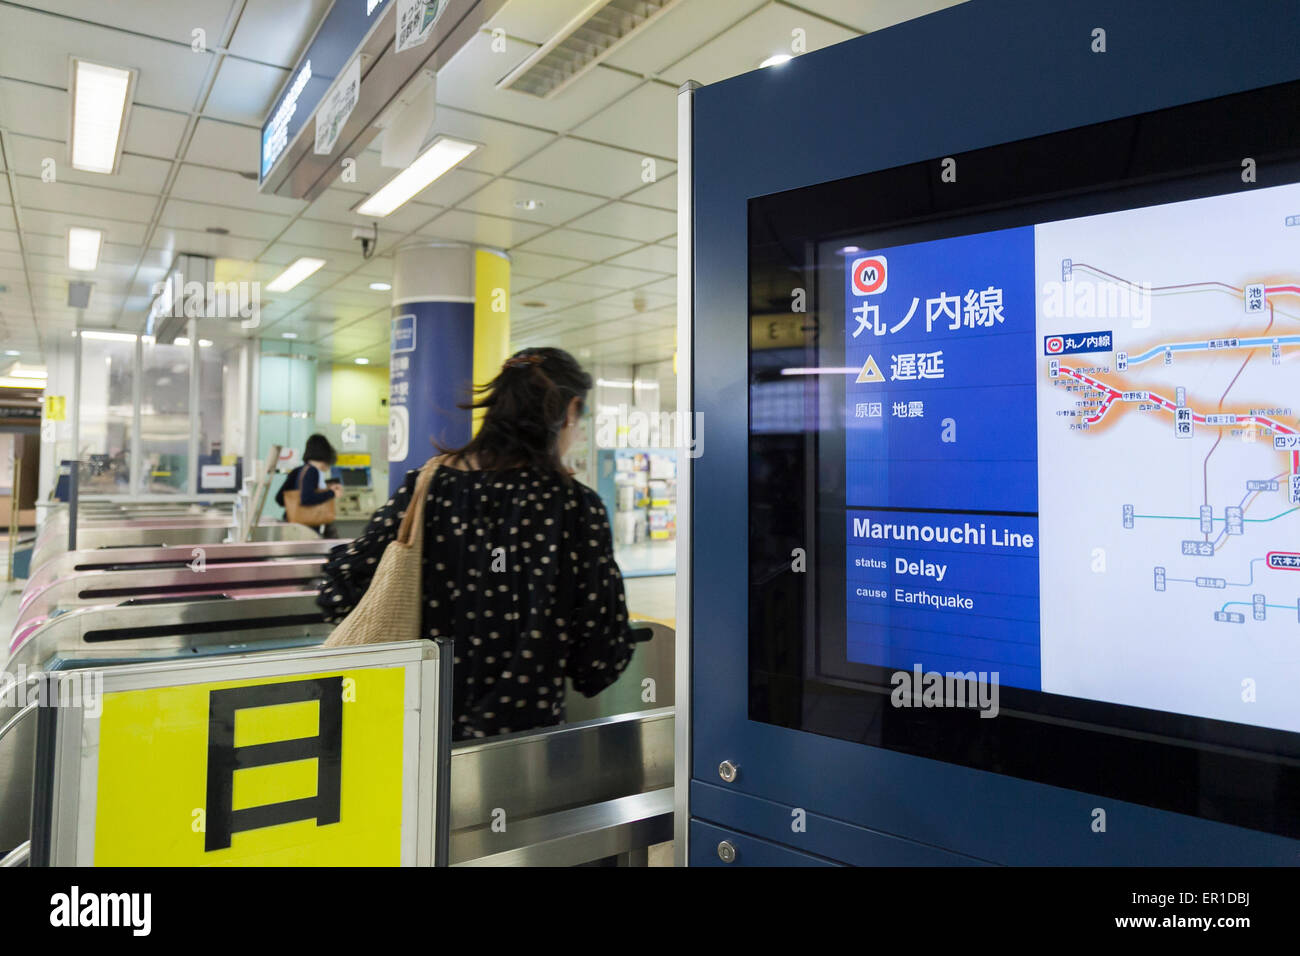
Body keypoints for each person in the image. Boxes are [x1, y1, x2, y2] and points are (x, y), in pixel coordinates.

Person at [317, 347, 637, 740]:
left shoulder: (427, 486)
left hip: (413, 735)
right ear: (569, 411)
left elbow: (339, 587)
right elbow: (600, 661)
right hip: (522, 751)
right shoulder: (576, 508)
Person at [275, 433, 340, 538]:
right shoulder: (312, 471)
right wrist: (332, 493)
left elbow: (279, 499)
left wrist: (294, 505)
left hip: (291, 526)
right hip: (305, 531)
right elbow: (307, 498)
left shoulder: (298, 470)